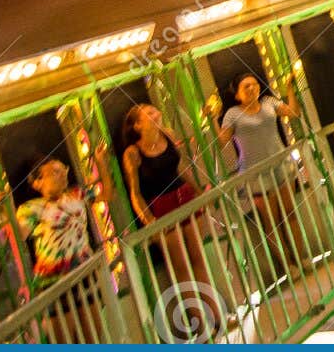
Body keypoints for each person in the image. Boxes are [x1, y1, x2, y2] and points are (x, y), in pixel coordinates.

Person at [212, 73, 306, 272]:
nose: (252, 88)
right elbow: (223, 140)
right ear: (237, 94)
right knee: (271, 221)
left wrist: (289, 89)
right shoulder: (233, 114)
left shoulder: (269, 102)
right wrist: (212, 118)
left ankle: (301, 257)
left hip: (281, 164)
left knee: (290, 213)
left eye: (254, 84)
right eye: (246, 86)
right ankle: (288, 266)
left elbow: (292, 112)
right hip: (256, 174)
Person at [121, 104, 211, 308]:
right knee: (181, 268)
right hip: (161, 206)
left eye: (156, 111)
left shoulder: (168, 135)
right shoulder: (133, 153)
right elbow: (135, 193)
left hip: (184, 197)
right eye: (150, 114)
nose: (157, 114)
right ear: (137, 125)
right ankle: (199, 320)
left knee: (198, 258)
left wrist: (198, 191)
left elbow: (180, 168)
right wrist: (150, 222)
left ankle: (215, 312)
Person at [15, 156, 96, 283]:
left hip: (87, 272)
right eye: (55, 172)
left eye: (64, 169)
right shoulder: (32, 208)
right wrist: (6, 208)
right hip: (54, 281)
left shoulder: (77, 194)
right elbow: (20, 236)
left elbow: (106, 194)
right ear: (37, 183)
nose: (63, 174)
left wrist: (101, 162)